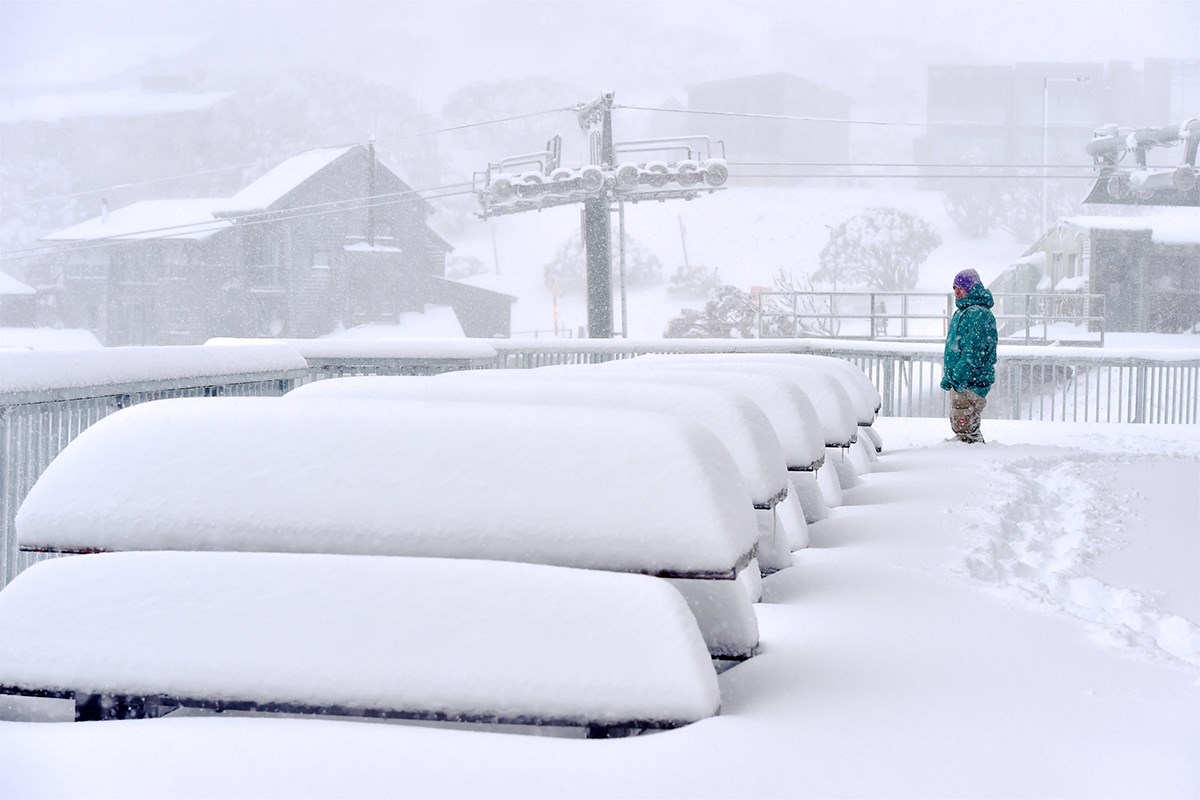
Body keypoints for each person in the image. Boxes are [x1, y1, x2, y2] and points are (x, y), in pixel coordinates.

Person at [941, 268, 997, 443]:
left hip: (970, 381)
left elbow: (973, 352)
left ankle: (971, 454)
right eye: (955, 288)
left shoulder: (977, 314)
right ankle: (968, 451)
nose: (957, 292)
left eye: (962, 287)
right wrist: (950, 377)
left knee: (965, 426)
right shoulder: (963, 312)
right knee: (962, 426)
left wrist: (958, 376)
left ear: (973, 288)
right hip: (962, 380)